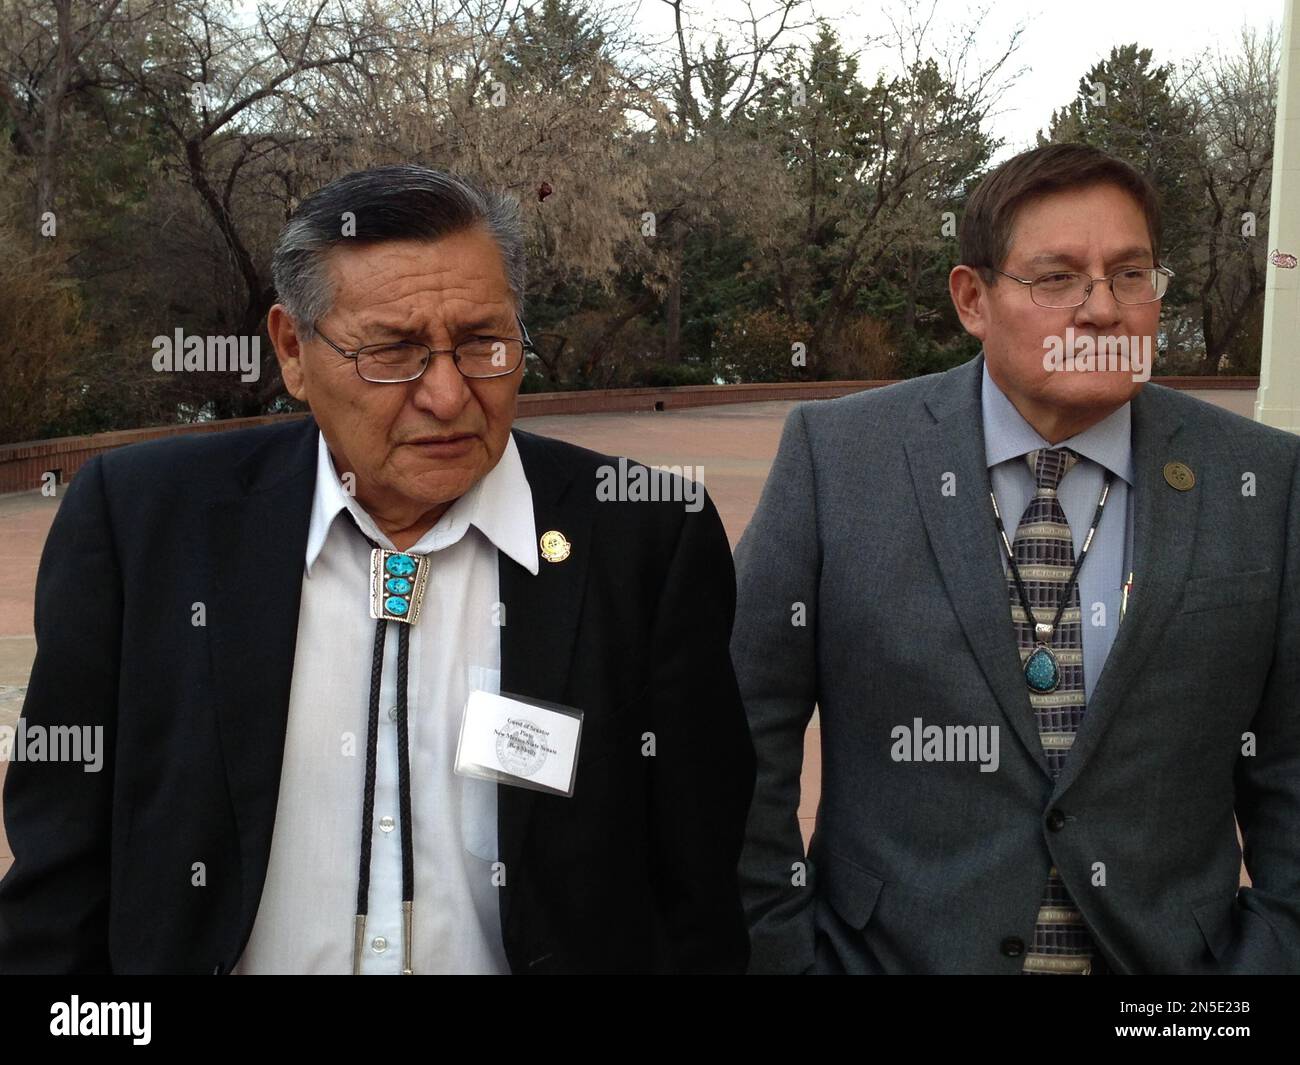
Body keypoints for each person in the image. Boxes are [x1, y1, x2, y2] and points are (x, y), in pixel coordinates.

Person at [0, 164, 755, 974]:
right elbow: (59, 883)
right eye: (393, 352)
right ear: (293, 350)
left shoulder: (644, 540)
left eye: (482, 343)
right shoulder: (143, 523)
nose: (447, 393)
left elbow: (700, 892)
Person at [734, 142, 1300, 974]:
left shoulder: (1259, 478)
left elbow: (1289, 763)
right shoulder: (838, 460)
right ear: (973, 298)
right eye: (1057, 277)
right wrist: (784, 952)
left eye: (1131, 274)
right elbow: (743, 734)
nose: (1103, 310)